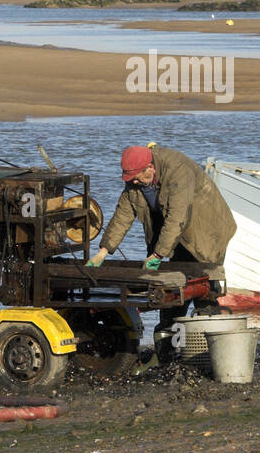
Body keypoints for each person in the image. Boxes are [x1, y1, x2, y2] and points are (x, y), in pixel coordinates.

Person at [88, 144, 237, 349]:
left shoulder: (177, 170)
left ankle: (208, 350)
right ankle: (167, 350)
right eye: (130, 178)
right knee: (172, 293)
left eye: (137, 177)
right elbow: (122, 216)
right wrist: (102, 252)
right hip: (176, 237)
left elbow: (177, 218)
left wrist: (158, 254)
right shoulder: (135, 182)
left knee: (203, 290)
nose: (134, 182)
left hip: (207, 232)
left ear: (150, 168)